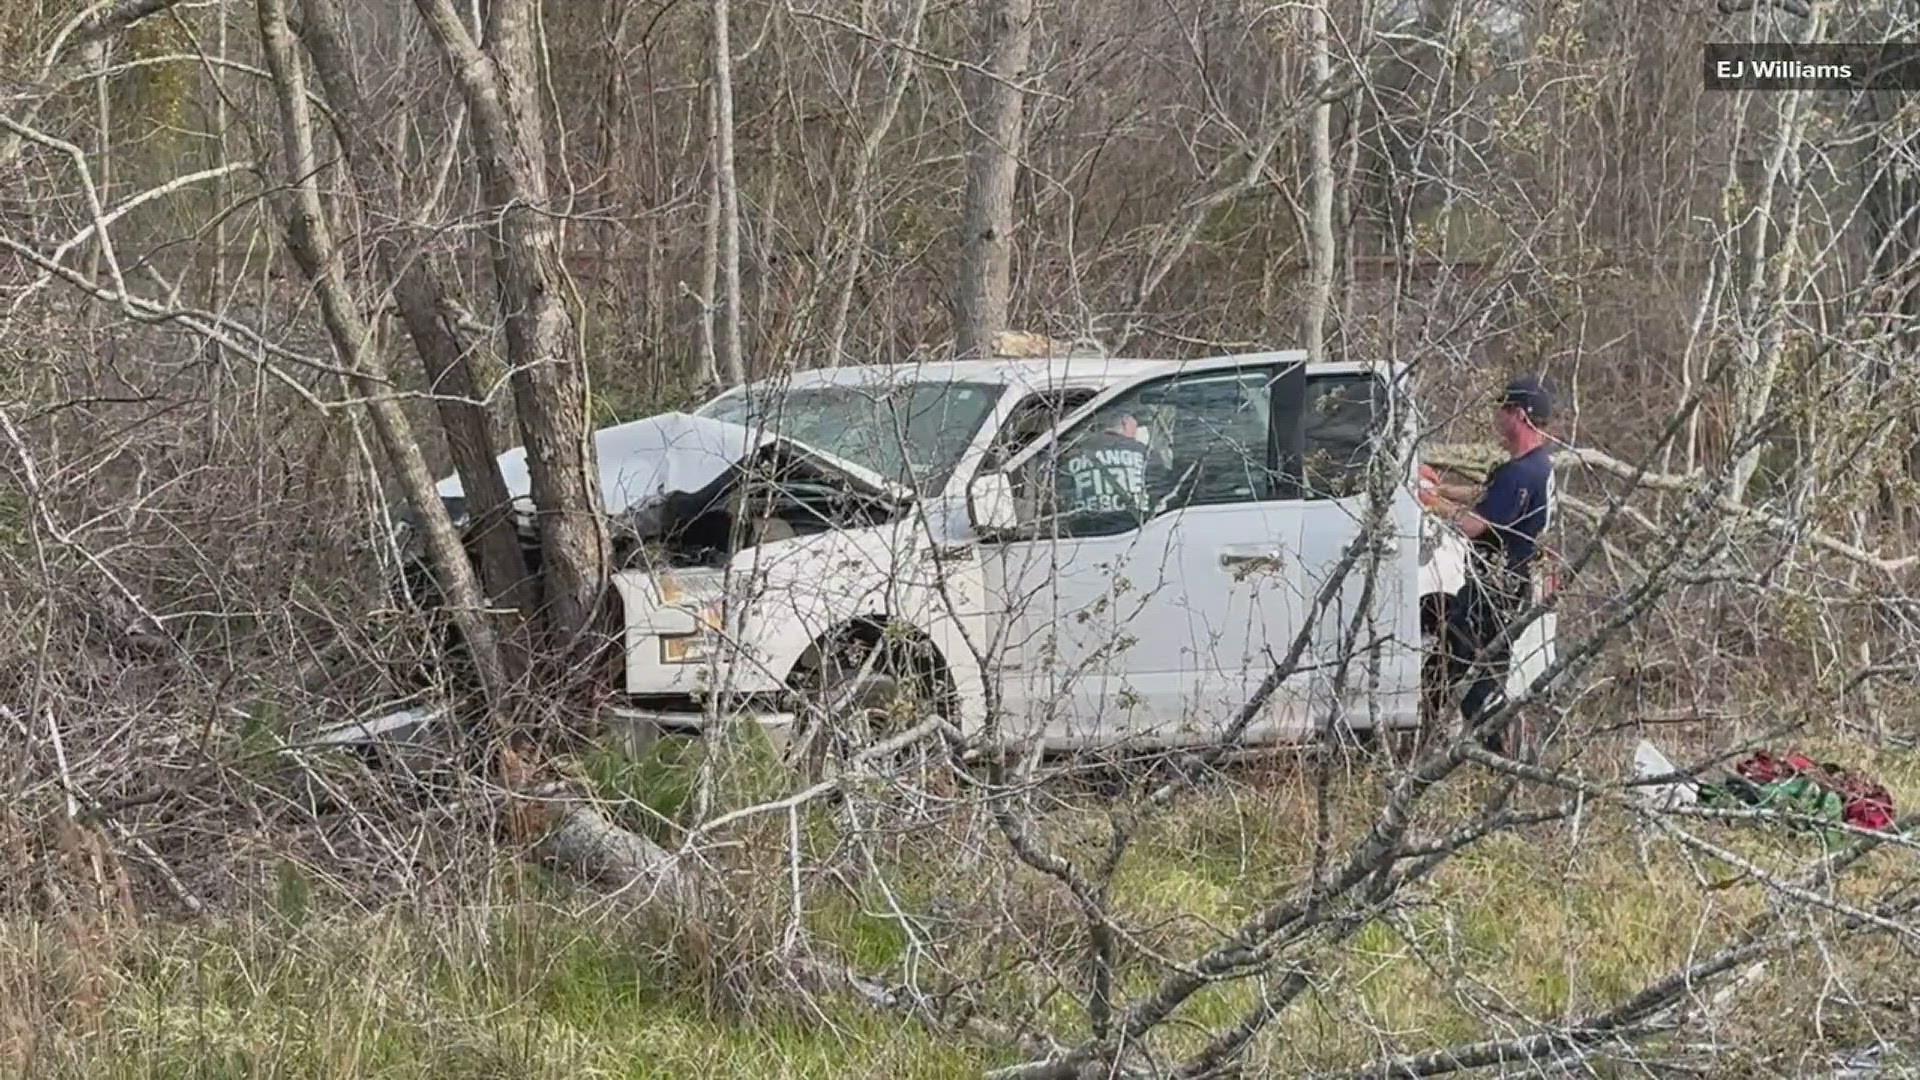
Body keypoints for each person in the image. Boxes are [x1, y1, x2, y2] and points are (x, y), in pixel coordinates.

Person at [1425, 374, 1557, 751]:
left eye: (1503, 409)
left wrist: (1431, 504)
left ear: (1519, 415)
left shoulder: (1521, 474)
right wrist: (1439, 488)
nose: (1498, 416)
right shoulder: (1532, 467)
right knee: (1456, 668)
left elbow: (1474, 525)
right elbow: (1485, 494)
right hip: (1503, 589)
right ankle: (1460, 749)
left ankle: (1500, 755)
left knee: (1466, 678)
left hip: (1495, 590)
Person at [1054, 408, 1151, 522]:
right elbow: (1160, 485)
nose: (1136, 432)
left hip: (1088, 526)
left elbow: (1061, 491)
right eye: (1135, 426)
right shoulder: (1143, 452)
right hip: (1135, 524)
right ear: (1125, 424)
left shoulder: (1075, 453)